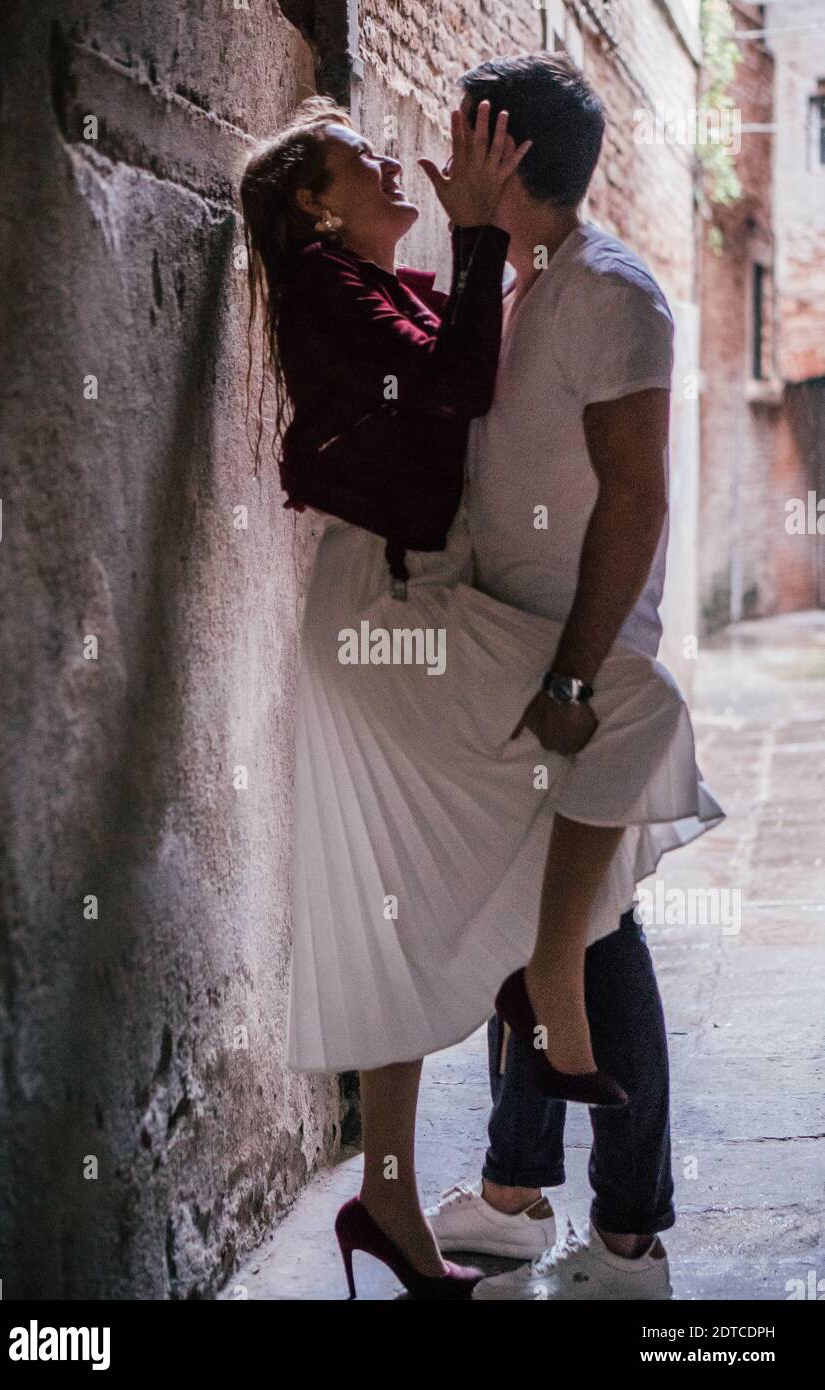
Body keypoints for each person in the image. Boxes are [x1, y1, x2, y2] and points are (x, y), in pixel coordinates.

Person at [239, 88, 722, 1299]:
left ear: (502, 151)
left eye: (458, 141)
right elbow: (445, 393)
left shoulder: (561, 289)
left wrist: (472, 245)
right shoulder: (367, 286)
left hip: (479, 618)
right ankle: (543, 1189)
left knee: (461, 904)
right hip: (405, 613)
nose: (414, 156)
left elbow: (583, 466)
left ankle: (473, 1207)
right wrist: (472, 239)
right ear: (313, 202)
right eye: (359, 156)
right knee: (589, 810)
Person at [427, 52, 712, 1301]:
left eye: (460, 136)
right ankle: (507, 1194)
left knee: (591, 941)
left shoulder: (610, 293)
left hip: (575, 668)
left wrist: (580, 682)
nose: (444, 154)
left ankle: (632, 1238)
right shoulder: (520, 277)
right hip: (512, 658)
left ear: (501, 144)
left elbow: (636, 500)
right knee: (529, 933)